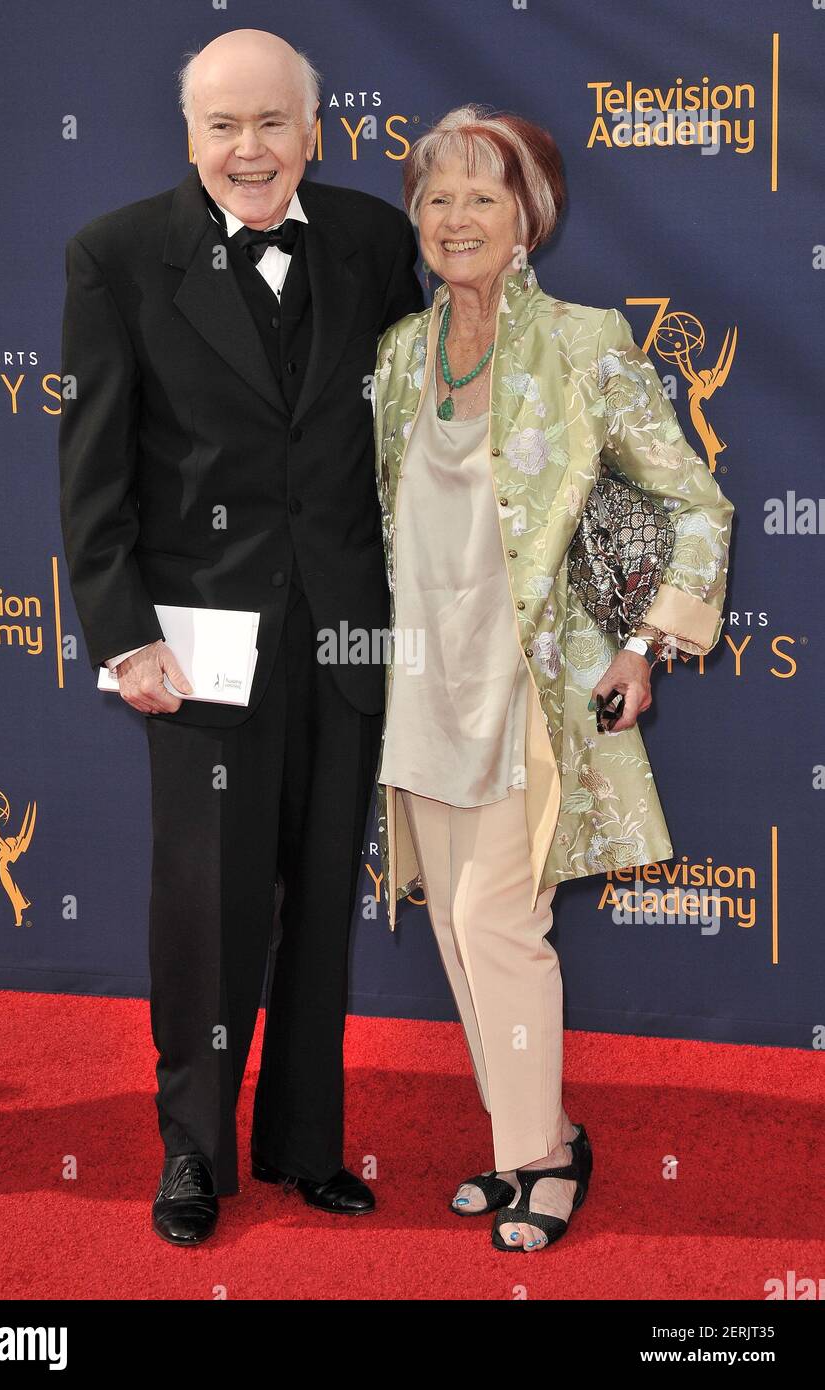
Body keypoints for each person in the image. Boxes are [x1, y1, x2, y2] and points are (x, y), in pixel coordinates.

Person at [58, 28, 423, 1245]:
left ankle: (306, 1143)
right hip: (199, 645)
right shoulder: (117, 256)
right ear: (190, 135)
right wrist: (123, 636)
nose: (249, 150)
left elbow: (412, 443)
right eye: (224, 126)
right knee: (207, 907)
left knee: (322, 897)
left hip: (347, 634)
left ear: (314, 132)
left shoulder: (375, 242)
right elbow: (94, 471)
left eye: (272, 123)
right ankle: (194, 1151)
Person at [371, 105, 735, 1251]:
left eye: (482, 196)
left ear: (528, 218)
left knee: (499, 922)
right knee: (456, 931)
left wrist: (649, 642)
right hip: (422, 689)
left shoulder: (584, 343)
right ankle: (530, 1135)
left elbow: (696, 503)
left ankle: (539, 1160)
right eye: (436, 197)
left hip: (530, 692)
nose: (455, 217)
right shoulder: (400, 353)